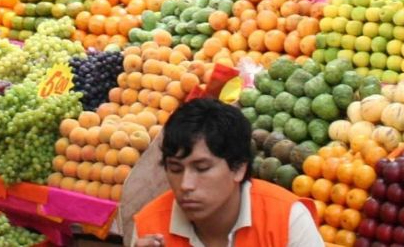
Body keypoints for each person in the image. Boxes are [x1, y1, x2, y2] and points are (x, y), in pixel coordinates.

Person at [131, 98, 324, 247]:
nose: (185, 185)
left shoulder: (287, 218)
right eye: (175, 169)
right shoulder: (149, 226)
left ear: (238, 168)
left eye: (202, 168)